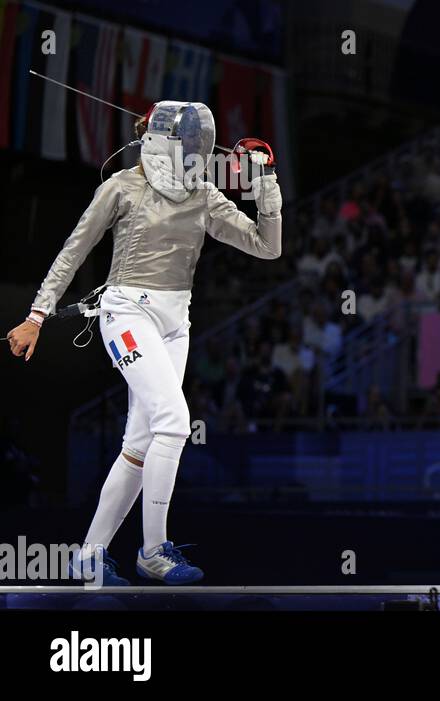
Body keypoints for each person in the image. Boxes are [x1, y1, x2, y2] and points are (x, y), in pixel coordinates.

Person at [5, 102, 282, 585]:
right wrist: (36, 315)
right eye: (190, 143)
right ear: (164, 141)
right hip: (126, 312)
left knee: (140, 441)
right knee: (174, 423)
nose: (198, 151)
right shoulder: (121, 186)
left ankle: (88, 558)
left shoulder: (203, 196)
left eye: (201, 143)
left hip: (177, 323)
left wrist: (266, 191)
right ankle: (153, 550)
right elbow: (74, 250)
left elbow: (266, 246)